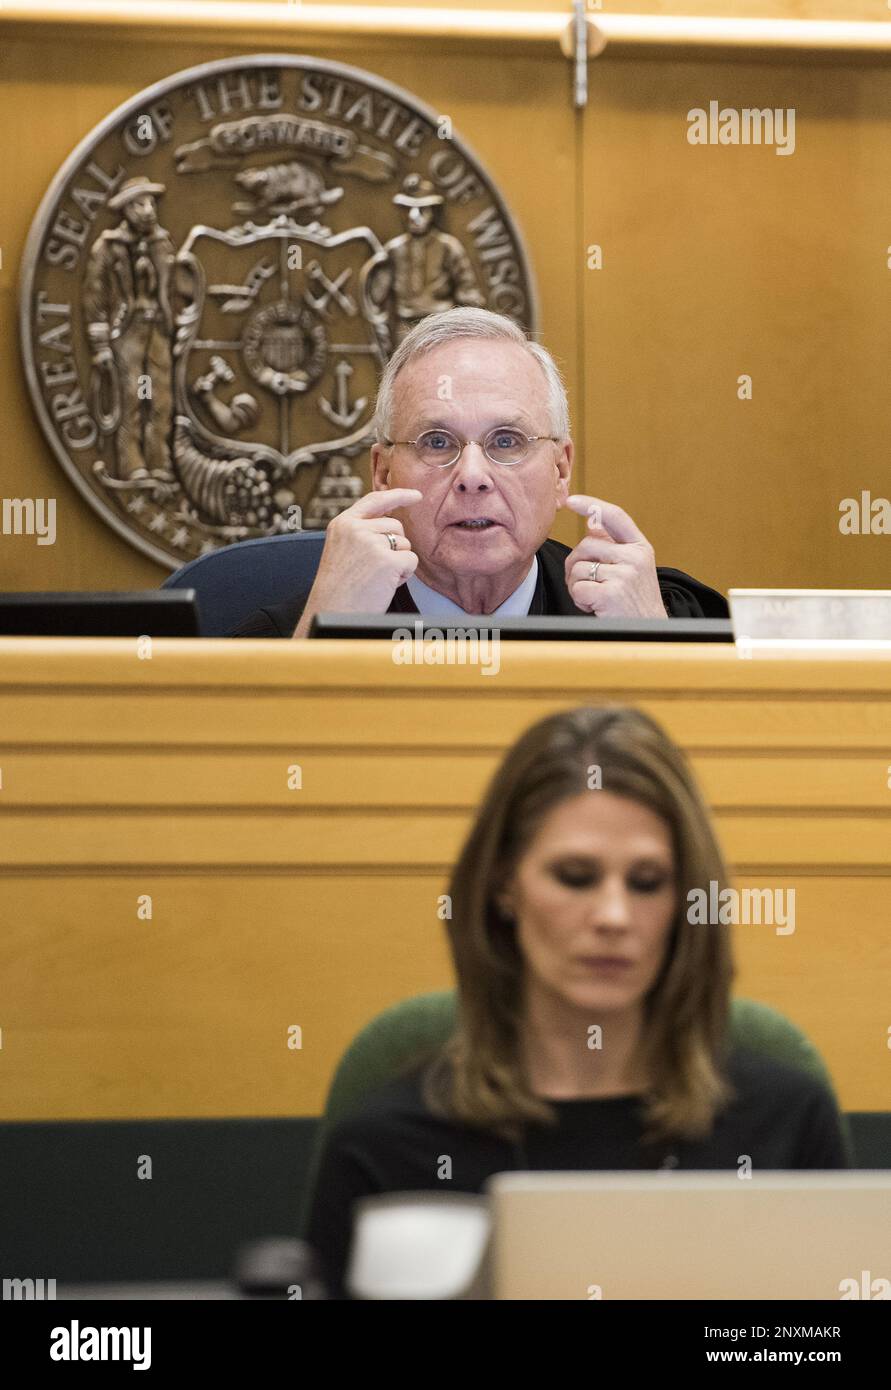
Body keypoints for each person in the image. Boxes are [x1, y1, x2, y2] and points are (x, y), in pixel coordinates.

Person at [305, 706, 849, 1298]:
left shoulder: (785, 1122)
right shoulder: (388, 1147)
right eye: (575, 875)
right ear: (503, 887)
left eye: (646, 882)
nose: (613, 917)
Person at [229, 307, 728, 637]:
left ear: (560, 471)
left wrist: (654, 646)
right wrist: (320, 638)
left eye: (506, 442)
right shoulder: (282, 637)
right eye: (437, 442)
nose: (472, 475)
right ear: (383, 475)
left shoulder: (650, 616)